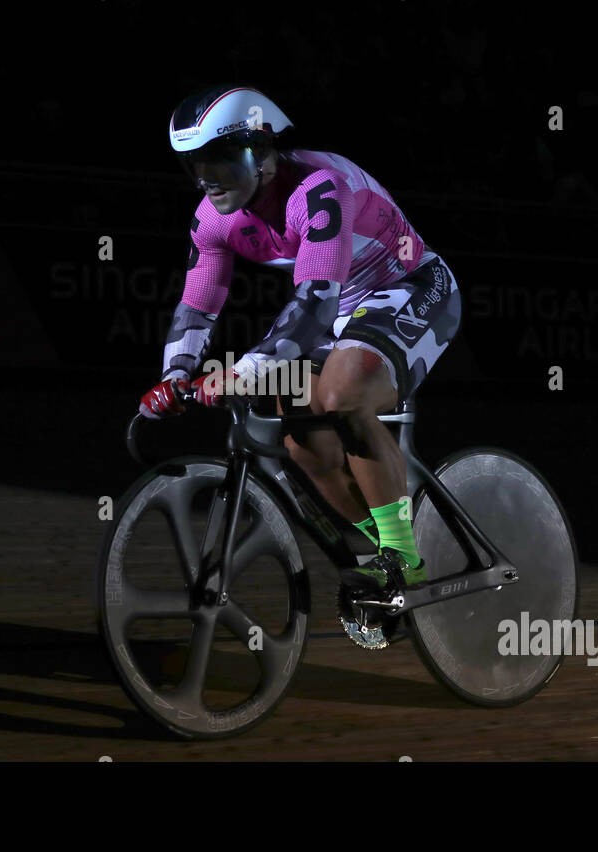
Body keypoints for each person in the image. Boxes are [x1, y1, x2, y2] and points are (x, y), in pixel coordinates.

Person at [140, 85, 462, 594]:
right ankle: (390, 547)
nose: (207, 179)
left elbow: (314, 305)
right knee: (300, 433)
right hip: (344, 311)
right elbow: (198, 306)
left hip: (410, 288)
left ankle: (405, 559)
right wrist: (174, 377)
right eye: (195, 165)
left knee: (340, 394)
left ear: (264, 155)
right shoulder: (211, 218)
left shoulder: (318, 188)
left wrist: (242, 370)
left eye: (222, 160)